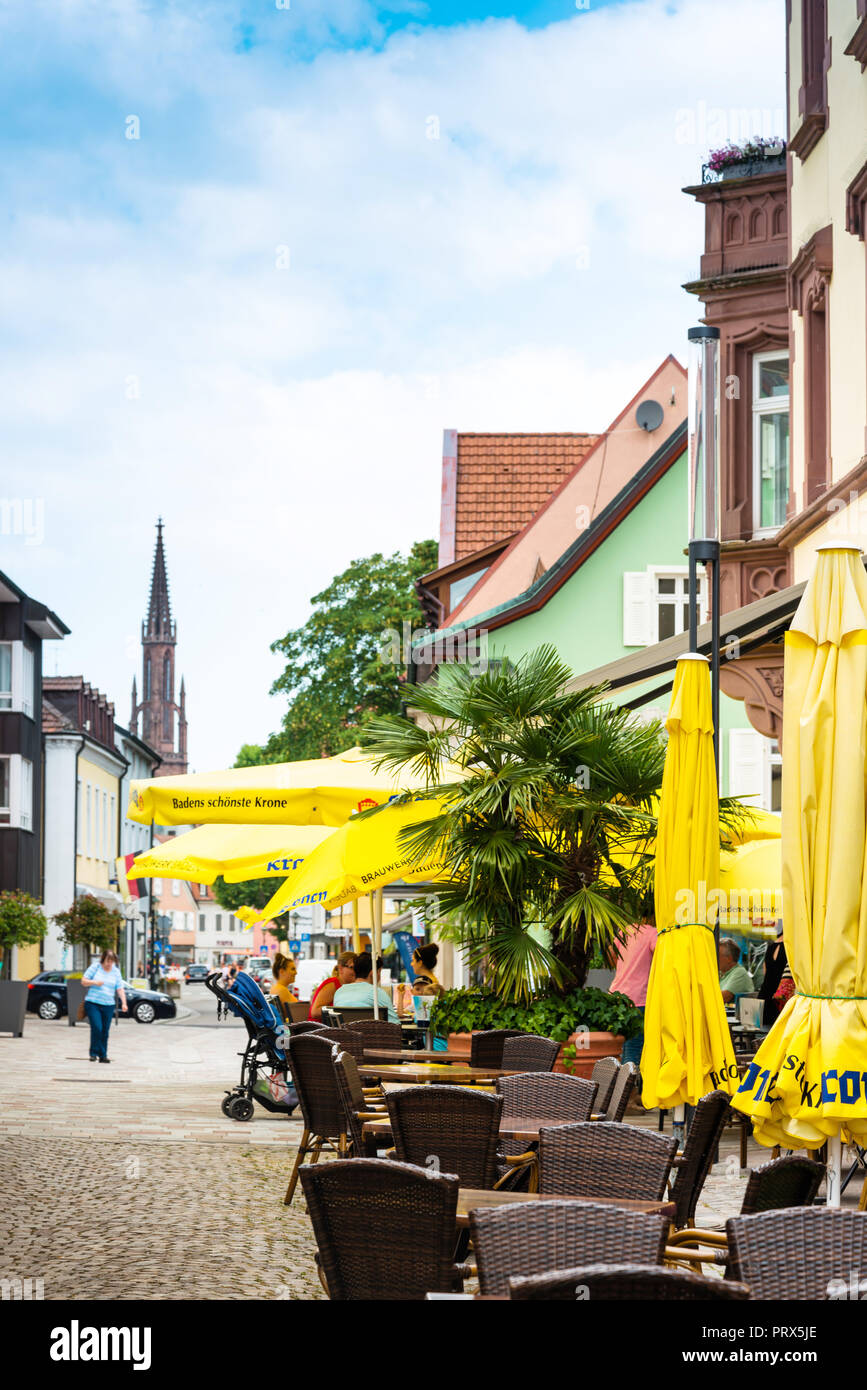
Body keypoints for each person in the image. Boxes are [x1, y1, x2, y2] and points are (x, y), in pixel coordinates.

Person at [609, 921, 656, 1067]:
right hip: (639, 999)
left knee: (616, 1050)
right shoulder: (653, 933)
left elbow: (611, 958)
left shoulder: (625, 930)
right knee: (633, 1050)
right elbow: (662, 959)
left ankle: (616, 1087)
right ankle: (628, 1088)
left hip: (616, 996)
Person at [82, 949, 127, 1063]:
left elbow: (119, 987)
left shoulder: (116, 971)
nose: (109, 964)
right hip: (93, 1003)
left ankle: (103, 1055)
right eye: (107, 961)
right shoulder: (95, 967)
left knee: (105, 1031)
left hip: (108, 1005)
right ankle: (94, 1052)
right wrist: (95, 982)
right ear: (103, 959)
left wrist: (124, 1002)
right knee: (97, 1027)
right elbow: (83, 981)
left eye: (112, 962)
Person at [333, 951, 399, 1023]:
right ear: (372, 973)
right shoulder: (377, 993)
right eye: (379, 972)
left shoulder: (339, 992)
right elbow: (395, 1023)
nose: (380, 976)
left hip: (344, 1033)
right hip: (371, 1033)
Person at [309, 951, 356, 1020]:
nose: (356, 971)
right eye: (352, 967)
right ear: (340, 968)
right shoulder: (332, 984)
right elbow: (315, 1012)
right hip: (319, 1028)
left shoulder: (351, 986)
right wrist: (340, 1010)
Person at [757, 921, 788, 1026]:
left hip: (765, 995)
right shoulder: (792, 946)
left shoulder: (770, 947)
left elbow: (765, 972)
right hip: (781, 999)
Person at [718, 938, 754, 1003]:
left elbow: (724, 997)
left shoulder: (740, 973)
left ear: (729, 958)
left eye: (718, 956)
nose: (715, 959)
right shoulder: (722, 973)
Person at [269, 952, 298, 1020]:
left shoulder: (276, 988)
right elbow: (296, 1015)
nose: (296, 973)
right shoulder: (281, 990)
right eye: (293, 969)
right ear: (282, 971)